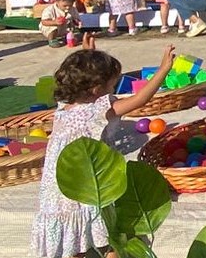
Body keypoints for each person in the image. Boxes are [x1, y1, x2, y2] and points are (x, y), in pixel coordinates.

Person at [32, 44, 175, 258]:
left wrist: (86, 53)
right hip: (88, 183)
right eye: (112, 86)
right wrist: (163, 70)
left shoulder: (64, 105)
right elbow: (140, 99)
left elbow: (80, 77)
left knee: (73, 241)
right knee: (109, 239)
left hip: (59, 187)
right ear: (97, 90)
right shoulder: (97, 110)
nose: (114, 91)